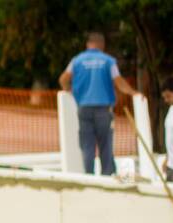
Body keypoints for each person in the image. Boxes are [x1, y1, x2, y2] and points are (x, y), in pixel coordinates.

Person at [59, 31, 137, 176]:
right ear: (102, 44)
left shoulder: (77, 60)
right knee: (105, 143)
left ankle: (88, 175)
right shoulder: (108, 61)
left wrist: (69, 89)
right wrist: (133, 92)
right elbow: (118, 80)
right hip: (103, 108)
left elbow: (64, 78)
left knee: (87, 145)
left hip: (83, 107)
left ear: (88, 44)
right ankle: (107, 175)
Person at [161, 76, 173, 184]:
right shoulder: (172, 108)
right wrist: (167, 158)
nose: (166, 100)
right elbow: (172, 137)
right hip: (171, 167)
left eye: (168, 96)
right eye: (164, 97)